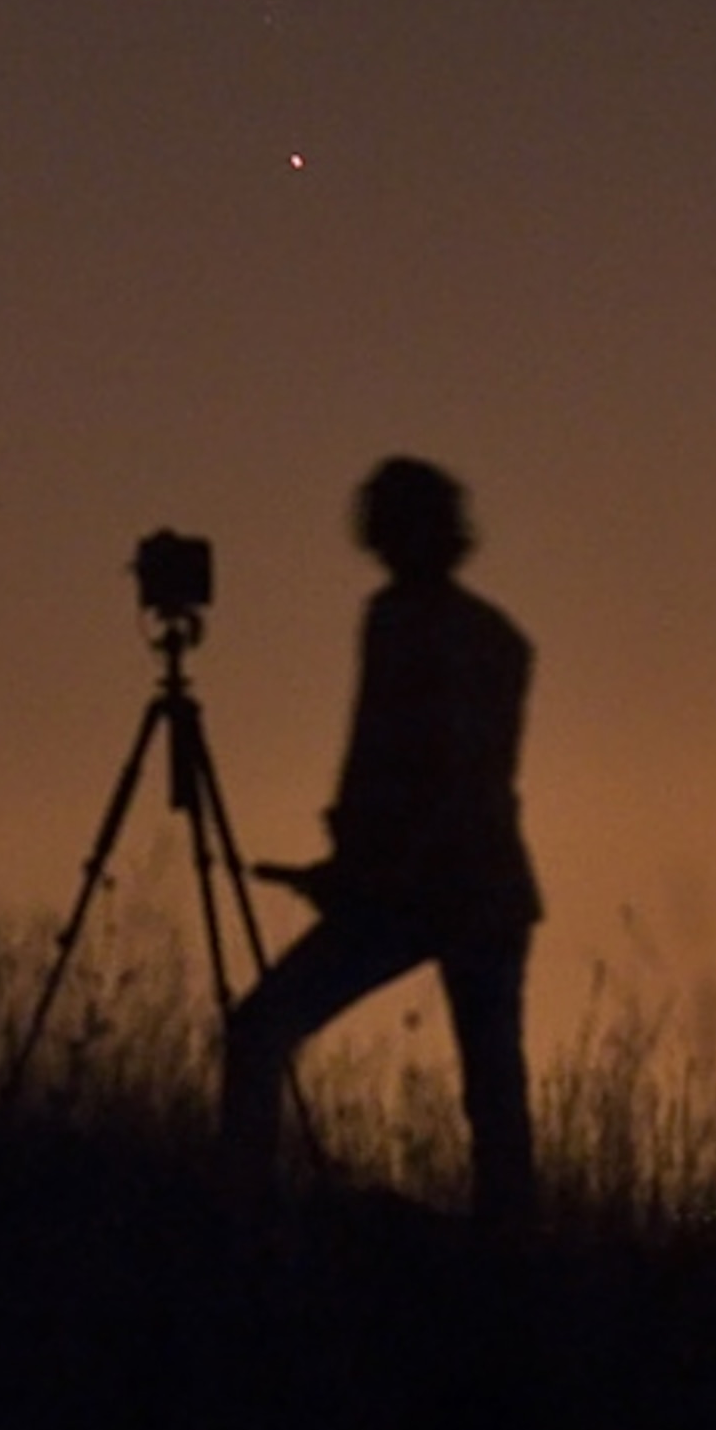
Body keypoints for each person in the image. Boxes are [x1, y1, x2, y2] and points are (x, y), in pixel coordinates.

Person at [222, 456, 541, 1228]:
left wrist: (365, 869)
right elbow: (448, 773)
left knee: (260, 1030)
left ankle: (243, 1222)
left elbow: (425, 767)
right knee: (494, 1086)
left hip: (419, 890)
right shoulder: (499, 638)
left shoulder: (401, 623)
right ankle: (513, 1249)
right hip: (484, 889)